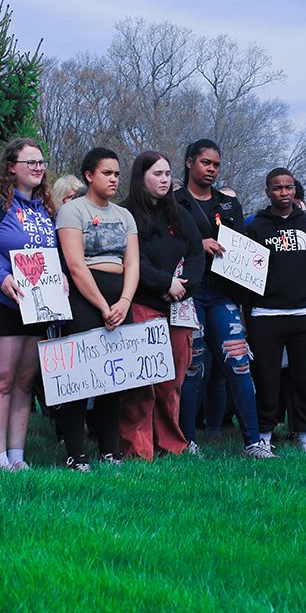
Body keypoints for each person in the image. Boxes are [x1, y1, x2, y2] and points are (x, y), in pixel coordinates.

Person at [174, 139, 267, 458]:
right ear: (189, 163)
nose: (212, 169)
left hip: (222, 292)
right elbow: (163, 243)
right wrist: (199, 243)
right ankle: (187, 441)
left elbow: (240, 243)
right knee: (192, 367)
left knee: (239, 364)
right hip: (188, 290)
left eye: (216, 165)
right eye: (205, 163)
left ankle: (254, 442)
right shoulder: (174, 201)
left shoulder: (228, 205)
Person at [0, 138, 58, 471]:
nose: (38, 168)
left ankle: (17, 457)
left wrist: (61, 277)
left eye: (41, 163)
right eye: (30, 162)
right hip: (0, 300)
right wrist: (1, 277)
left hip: (38, 303)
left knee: (24, 381)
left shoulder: (45, 206)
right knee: (3, 379)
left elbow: (52, 252)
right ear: (11, 167)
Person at [56, 147, 138, 470]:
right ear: (89, 176)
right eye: (107, 173)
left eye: (117, 173)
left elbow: (133, 264)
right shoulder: (72, 211)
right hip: (85, 299)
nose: (114, 179)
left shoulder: (125, 215)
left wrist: (124, 303)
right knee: (79, 379)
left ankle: (109, 450)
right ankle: (76, 453)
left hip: (120, 299)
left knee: (113, 379)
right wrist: (104, 306)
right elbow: (76, 265)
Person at [119, 151, 203, 460]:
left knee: (172, 382)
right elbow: (132, 259)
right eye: (157, 174)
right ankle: (138, 450)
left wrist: (183, 288)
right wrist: (164, 283)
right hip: (143, 303)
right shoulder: (126, 214)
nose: (165, 179)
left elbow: (196, 253)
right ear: (141, 177)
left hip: (179, 307)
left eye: (168, 173)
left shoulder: (179, 213)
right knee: (142, 381)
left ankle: (170, 446)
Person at [245, 168, 306, 455]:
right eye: (277, 188)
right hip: (265, 315)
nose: (284, 192)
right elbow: (248, 276)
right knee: (266, 380)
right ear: (268, 192)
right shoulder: (255, 227)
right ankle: (264, 437)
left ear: (295, 190)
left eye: (288, 187)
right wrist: (248, 314)